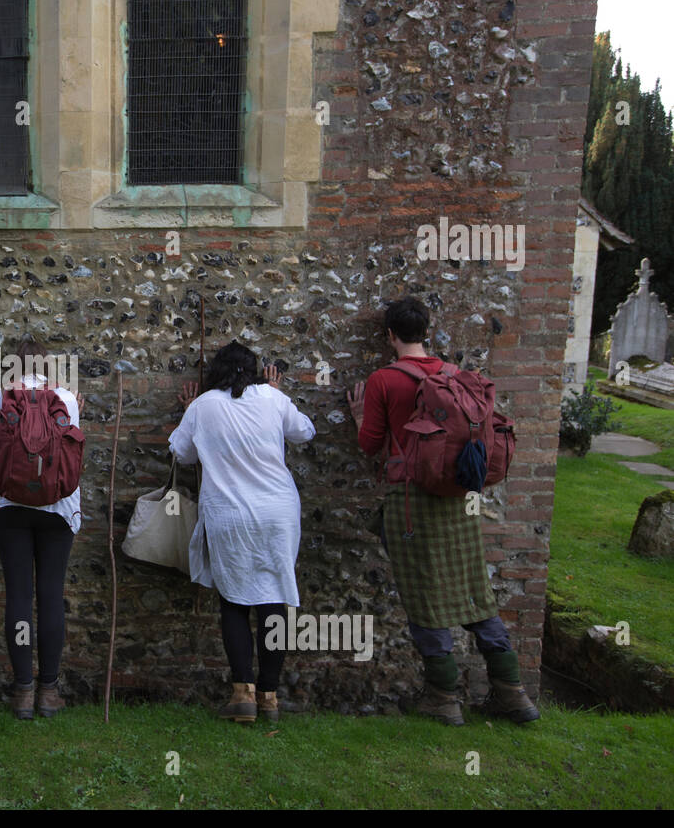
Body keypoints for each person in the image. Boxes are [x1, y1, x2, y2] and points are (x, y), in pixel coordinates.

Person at [346, 297, 539, 725]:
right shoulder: (454, 376)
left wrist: (360, 414)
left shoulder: (383, 380)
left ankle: (443, 699)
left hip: (411, 501)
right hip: (457, 500)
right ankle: (514, 694)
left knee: (424, 596)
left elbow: (369, 444)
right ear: (427, 330)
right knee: (475, 591)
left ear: (390, 335)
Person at [169, 342, 315, 723]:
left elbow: (181, 453)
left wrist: (189, 412)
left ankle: (242, 694)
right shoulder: (271, 398)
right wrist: (278, 396)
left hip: (230, 514)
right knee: (274, 599)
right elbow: (304, 433)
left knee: (233, 600)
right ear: (253, 371)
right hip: (278, 512)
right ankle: (269, 697)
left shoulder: (203, 405)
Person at [0, 337, 84, 720]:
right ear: (47, 365)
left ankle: (23, 691)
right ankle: (49, 692)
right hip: (58, 509)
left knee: (19, 596)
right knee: (51, 596)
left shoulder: (1, 395)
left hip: (11, 507)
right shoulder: (65, 398)